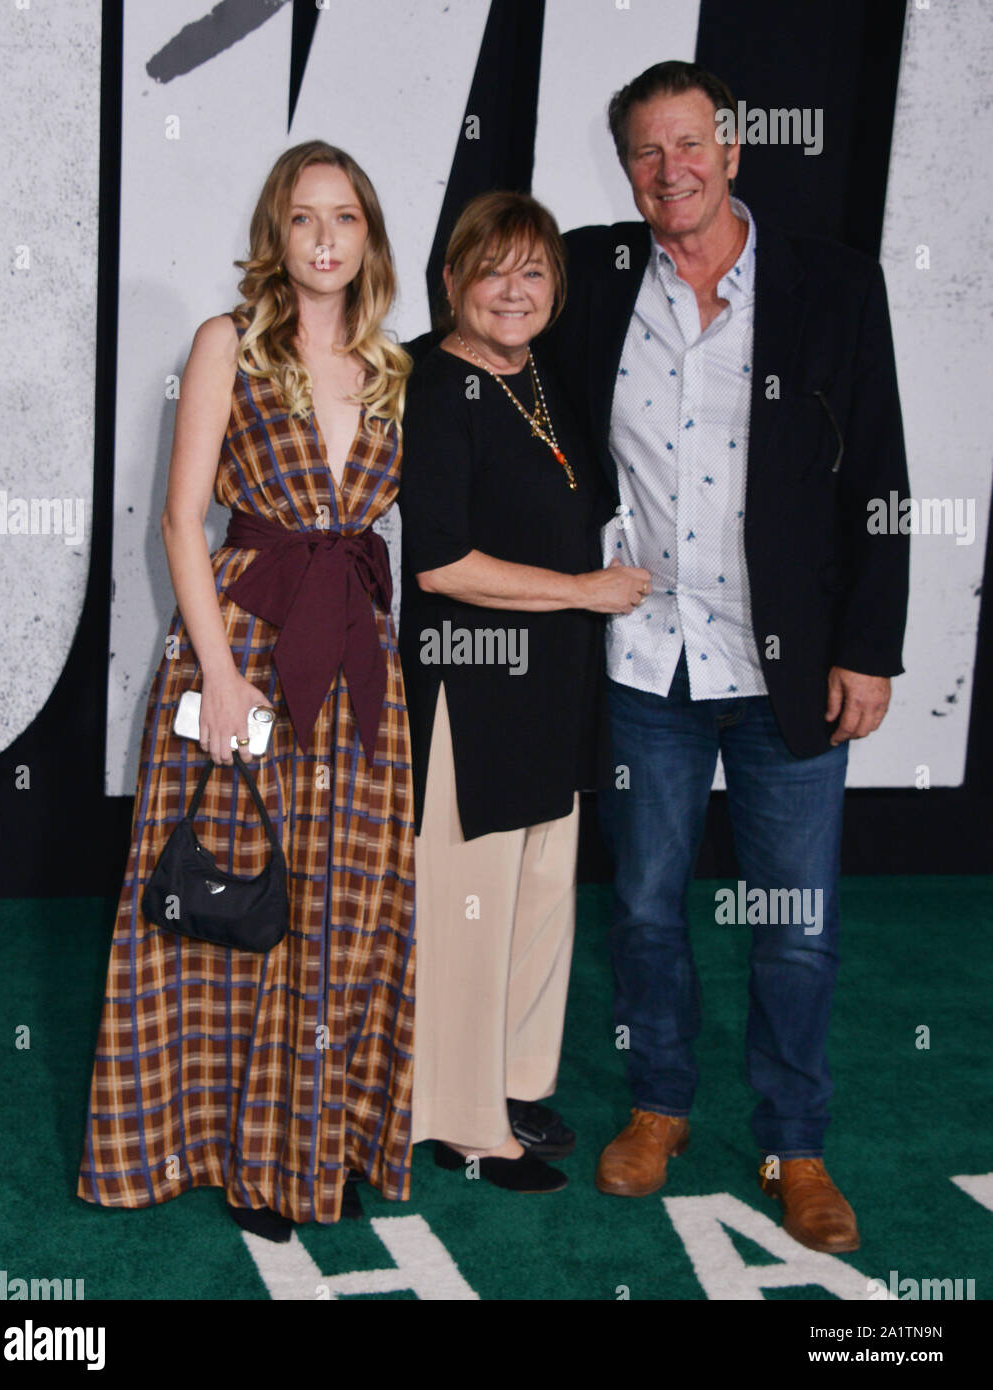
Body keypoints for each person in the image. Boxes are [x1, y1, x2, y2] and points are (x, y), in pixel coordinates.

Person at [540, 61, 909, 1251]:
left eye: (688, 144)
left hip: (788, 670)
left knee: (795, 920)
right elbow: (488, 328)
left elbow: (880, 477)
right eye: (646, 152)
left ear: (732, 148)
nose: (670, 170)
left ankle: (793, 1143)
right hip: (647, 660)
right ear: (626, 170)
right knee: (646, 907)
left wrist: (869, 646)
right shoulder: (598, 279)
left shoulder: (830, 289)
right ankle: (658, 1106)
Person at [77, 141, 416, 1239]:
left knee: (341, 910)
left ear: (368, 236)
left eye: (345, 218)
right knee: (226, 899)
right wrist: (218, 682)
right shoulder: (228, 341)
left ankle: (312, 1143)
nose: (325, 238)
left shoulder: (393, 366)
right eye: (304, 217)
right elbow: (183, 518)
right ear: (277, 233)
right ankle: (225, 1153)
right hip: (243, 645)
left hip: (359, 662)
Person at [399, 192, 651, 1193]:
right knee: (468, 906)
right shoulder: (431, 378)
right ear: (451, 279)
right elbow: (439, 563)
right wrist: (585, 592)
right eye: (491, 269)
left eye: (534, 271)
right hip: (473, 681)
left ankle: (507, 1079)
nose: (513, 290)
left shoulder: (541, 372)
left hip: (555, 686)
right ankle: (459, 1120)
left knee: (541, 894)